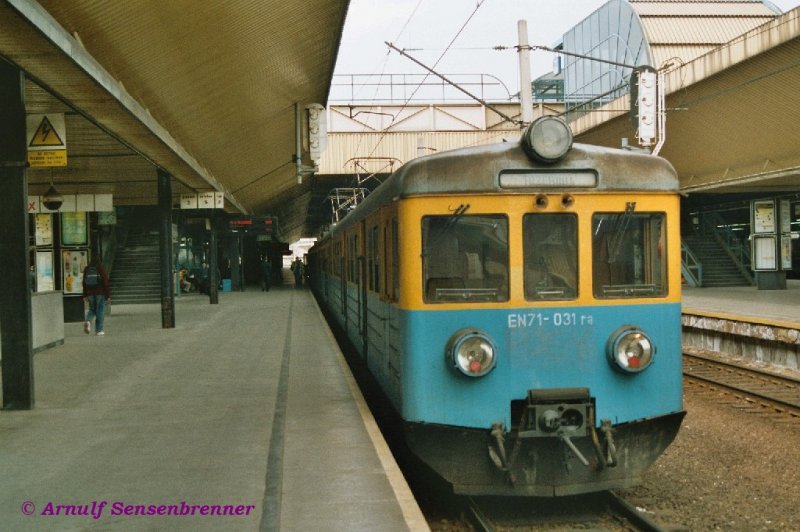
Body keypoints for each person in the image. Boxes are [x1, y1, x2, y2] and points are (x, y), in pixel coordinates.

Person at [82, 254, 111, 336]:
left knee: (92, 309)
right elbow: (105, 282)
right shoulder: (101, 268)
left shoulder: (87, 269)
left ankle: (88, 321)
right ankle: (99, 330)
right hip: (100, 293)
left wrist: (85, 295)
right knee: (100, 311)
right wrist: (108, 295)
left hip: (90, 293)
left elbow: (84, 282)